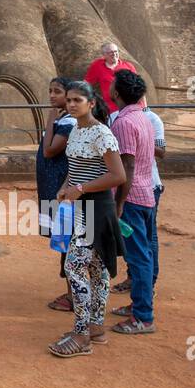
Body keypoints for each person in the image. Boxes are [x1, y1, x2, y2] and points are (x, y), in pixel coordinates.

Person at [47, 81, 126, 357]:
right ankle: (95, 328)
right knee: (96, 270)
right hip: (80, 209)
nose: (70, 104)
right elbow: (75, 168)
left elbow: (118, 175)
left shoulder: (101, 133)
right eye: (68, 100)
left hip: (96, 209)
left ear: (91, 103)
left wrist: (79, 189)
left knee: (74, 266)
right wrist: (66, 186)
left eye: (77, 100)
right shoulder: (75, 130)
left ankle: (82, 335)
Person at [107, 70, 158, 335]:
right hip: (144, 194)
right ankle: (139, 306)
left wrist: (119, 203)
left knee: (138, 258)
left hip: (132, 198)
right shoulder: (142, 118)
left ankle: (143, 317)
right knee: (143, 254)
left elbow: (126, 165)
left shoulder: (123, 123)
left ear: (117, 93)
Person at [39, 77, 77, 312]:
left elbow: (50, 149)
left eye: (57, 92)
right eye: (50, 91)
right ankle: (71, 292)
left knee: (69, 240)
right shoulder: (64, 119)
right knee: (63, 239)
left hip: (62, 191)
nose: (52, 95)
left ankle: (74, 295)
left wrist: (52, 116)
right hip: (55, 188)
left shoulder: (67, 122)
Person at [84, 42, 137, 114]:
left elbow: (138, 87)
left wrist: (144, 107)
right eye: (111, 52)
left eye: (116, 51)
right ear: (104, 55)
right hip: (110, 110)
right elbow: (86, 84)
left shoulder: (128, 66)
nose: (114, 54)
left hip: (130, 107)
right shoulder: (98, 65)